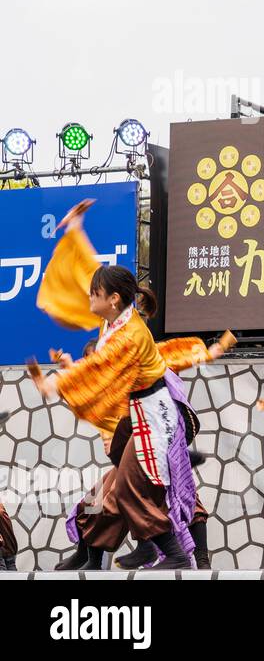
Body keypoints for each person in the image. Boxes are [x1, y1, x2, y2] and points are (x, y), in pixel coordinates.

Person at [29, 200, 201, 570]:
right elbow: (92, 269)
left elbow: (100, 369)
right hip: (139, 417)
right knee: (108, 491)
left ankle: (174, 554)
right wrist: (76, 229)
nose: (89, 296)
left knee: (124, 487)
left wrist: (56, 384)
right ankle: (115, 550)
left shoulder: (128, 336)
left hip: (155, 418)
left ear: (113, 299)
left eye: (95, 293)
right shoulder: (117, 319)